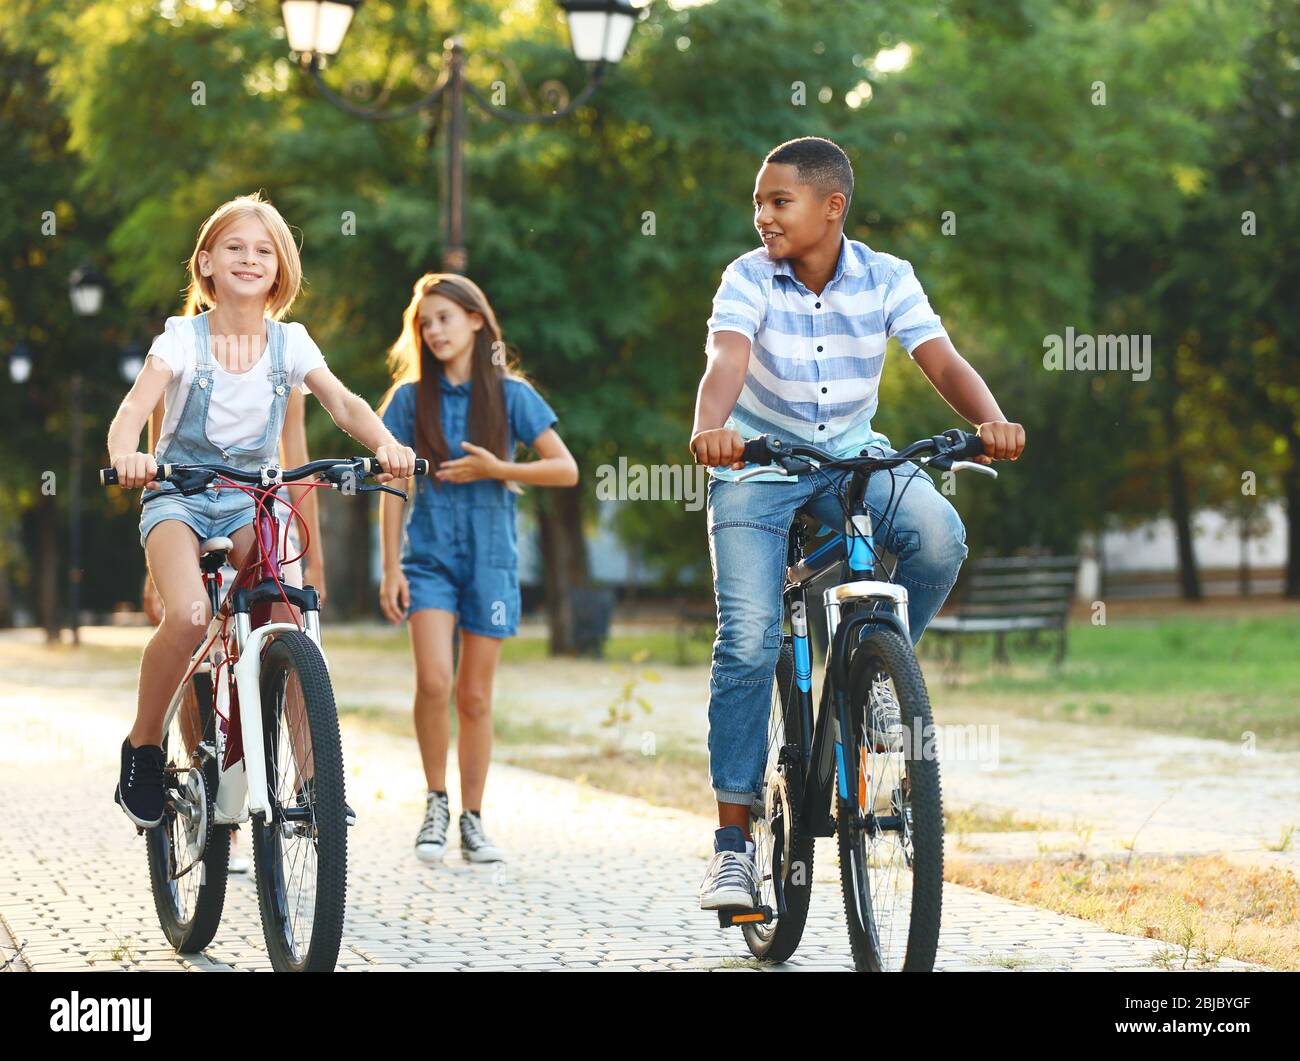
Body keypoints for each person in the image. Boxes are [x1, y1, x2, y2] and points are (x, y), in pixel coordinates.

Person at [688, 137, 1025, 909]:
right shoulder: (748, 277)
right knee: (746, 635)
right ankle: (733, 845)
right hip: (757, 468)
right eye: (759, 204)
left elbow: (939, 359)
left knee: (938, 535)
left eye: (781, 202)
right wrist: (713, 427)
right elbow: (725, 360)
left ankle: (875, 668)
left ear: (831, 207)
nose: (764, 216)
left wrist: (992, 421)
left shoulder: (887, 276)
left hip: (852, 460)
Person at [107, 191, 416, 829]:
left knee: (288, 618)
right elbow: (134, 410)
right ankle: (142, 746)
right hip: (179, 497)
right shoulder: (182, 340)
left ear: (281, 270)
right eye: (234, 247)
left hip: (252, 498)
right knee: (190, 615)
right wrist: (127, 455)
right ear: (207, 265)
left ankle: (313, 782)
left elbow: (346, 404)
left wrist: (386, 445)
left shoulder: (291, 343)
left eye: (263, 250)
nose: (249, 258)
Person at [376, 274, 577, 864]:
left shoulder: (513, 396)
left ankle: (473, 817)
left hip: (491, 564)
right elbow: (392, 487)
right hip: (429, 561)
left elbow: (564, 470)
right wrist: (391, 568)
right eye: (425, 323)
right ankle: (435, 802)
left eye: (444, 318)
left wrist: (498, 470)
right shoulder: (410, 401)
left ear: (475, 321)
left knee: (475, 697)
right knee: (435, 681)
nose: (434, 331)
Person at [139, 387, 325, 872]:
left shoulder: (284, 356)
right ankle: (217, 806)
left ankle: (311, 789)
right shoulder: (180, 350)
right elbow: (159, 452)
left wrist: (314, 552)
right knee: (200, 644)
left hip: (260, 510)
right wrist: (154, 569)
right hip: (187, 511)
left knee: (287, 632)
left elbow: (297, 456)